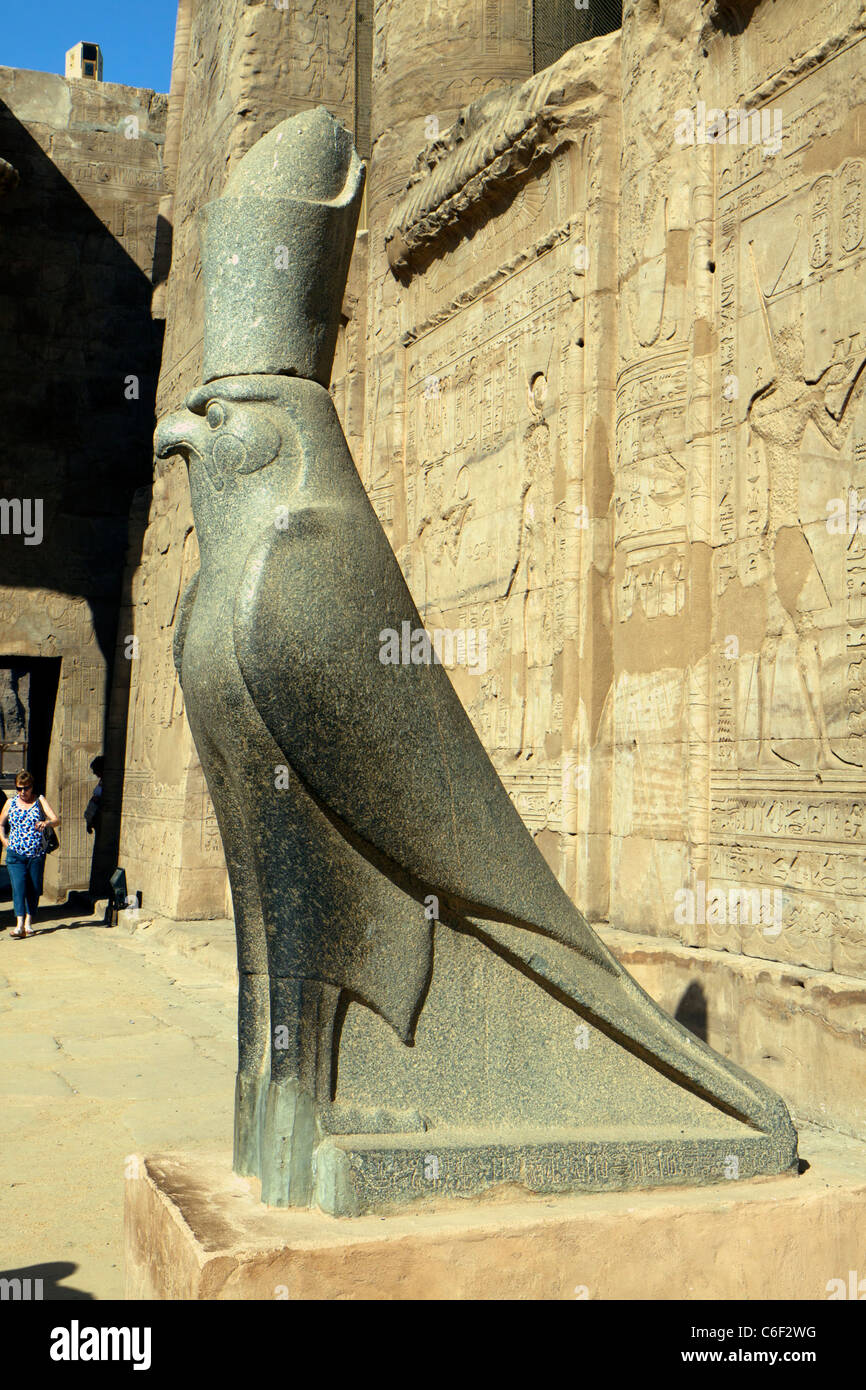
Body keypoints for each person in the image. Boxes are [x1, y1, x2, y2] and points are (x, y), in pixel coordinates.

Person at [0, 771, 60, 938]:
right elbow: (1, 824)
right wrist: (4, 841)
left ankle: (28, 923)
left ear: (31, 787)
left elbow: (56, 819)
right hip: (15, 854)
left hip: (36, 854)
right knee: (18, 887)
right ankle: (19, 924)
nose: (22, 792)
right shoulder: (10, 802)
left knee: (33, 888)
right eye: (19, 788)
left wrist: (47, 823)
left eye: (26, 788)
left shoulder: (39, 800)